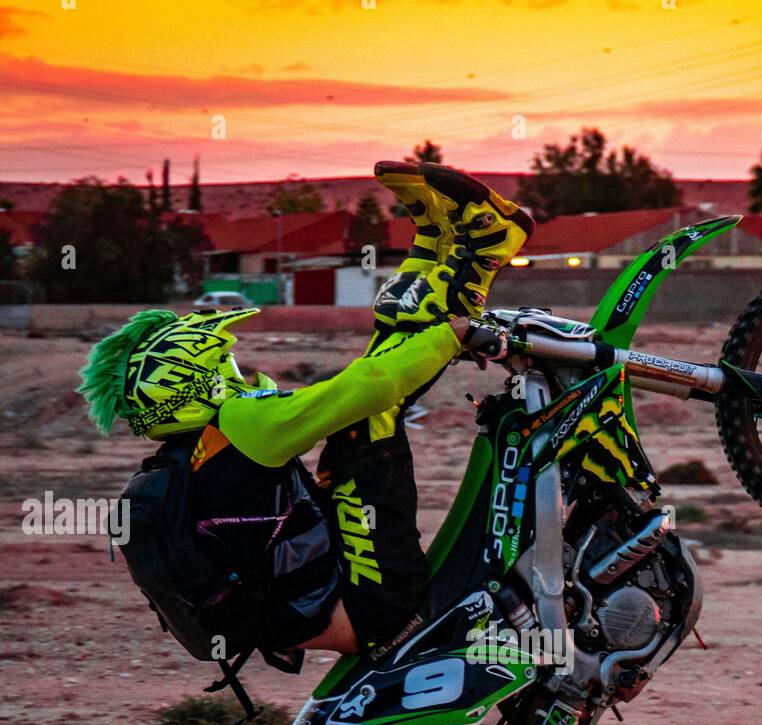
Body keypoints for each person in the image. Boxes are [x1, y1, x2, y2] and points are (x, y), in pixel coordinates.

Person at [78, 163, 533, 657]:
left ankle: (436, 246)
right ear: (194, 380)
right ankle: (479, 259)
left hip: (333, 607)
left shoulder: (192, 455)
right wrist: (456, 336)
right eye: (221, 361)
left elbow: (356, 384)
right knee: (368, 410)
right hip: (376, 607)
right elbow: (371, 386)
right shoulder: (239, 426)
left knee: (359, 401)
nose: (235, 369)